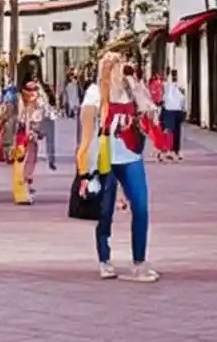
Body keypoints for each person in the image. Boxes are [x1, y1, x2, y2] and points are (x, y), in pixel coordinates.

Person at [75, 52, 159, 282]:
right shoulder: (95, 93)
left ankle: (139, 262)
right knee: (105, 211)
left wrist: (136, 84)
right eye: (118, 66)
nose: (122, 69)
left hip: (130, 155)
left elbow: (149, 110)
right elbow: (86, 134)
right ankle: (104, 259)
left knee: (141, 207)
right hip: (104, 158)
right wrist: (84, 170)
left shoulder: (129, 90)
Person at [160, 70, 186, 162]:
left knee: (170, 130)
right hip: (175, 109)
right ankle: (173, 150)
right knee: (174, 131)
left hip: (170, 110)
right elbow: (183, 97)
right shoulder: (178, 85)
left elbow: (163, 97)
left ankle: (170, 150)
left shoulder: (167, 85)